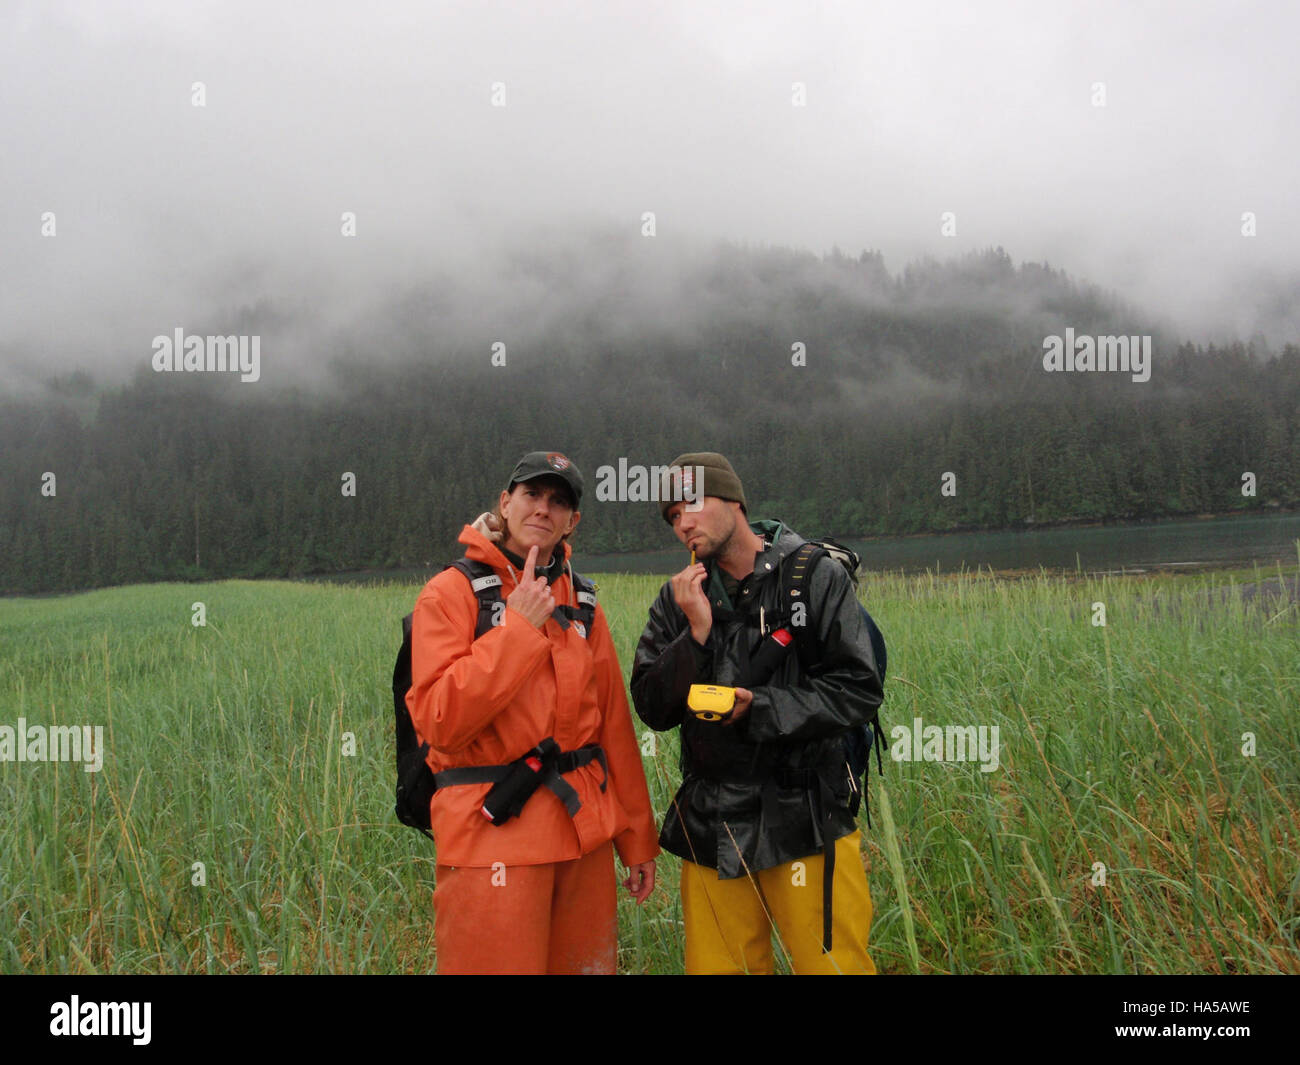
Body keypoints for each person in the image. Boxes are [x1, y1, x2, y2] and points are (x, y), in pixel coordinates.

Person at [405, 450, 658, 974]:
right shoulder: (450, 594)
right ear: (505, 502)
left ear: (573, 521)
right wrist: (517, 630)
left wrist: (636, 841)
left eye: (558, 501)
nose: (543, 509)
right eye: (532, 495)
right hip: (493, 839)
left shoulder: (584, 603)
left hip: (582, 836)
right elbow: (438, 720)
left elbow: (612, 727)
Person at [630, 452, 883, 974]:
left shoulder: (812, 575)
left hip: (806, 815)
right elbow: (653, 708)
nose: (684, 523)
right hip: (710, 823)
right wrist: (695, 634)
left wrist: (760, 707)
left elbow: (858, 688)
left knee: (834, 969)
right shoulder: (679, 597)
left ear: (736, 501)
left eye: (693, 503)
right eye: (673, 515)